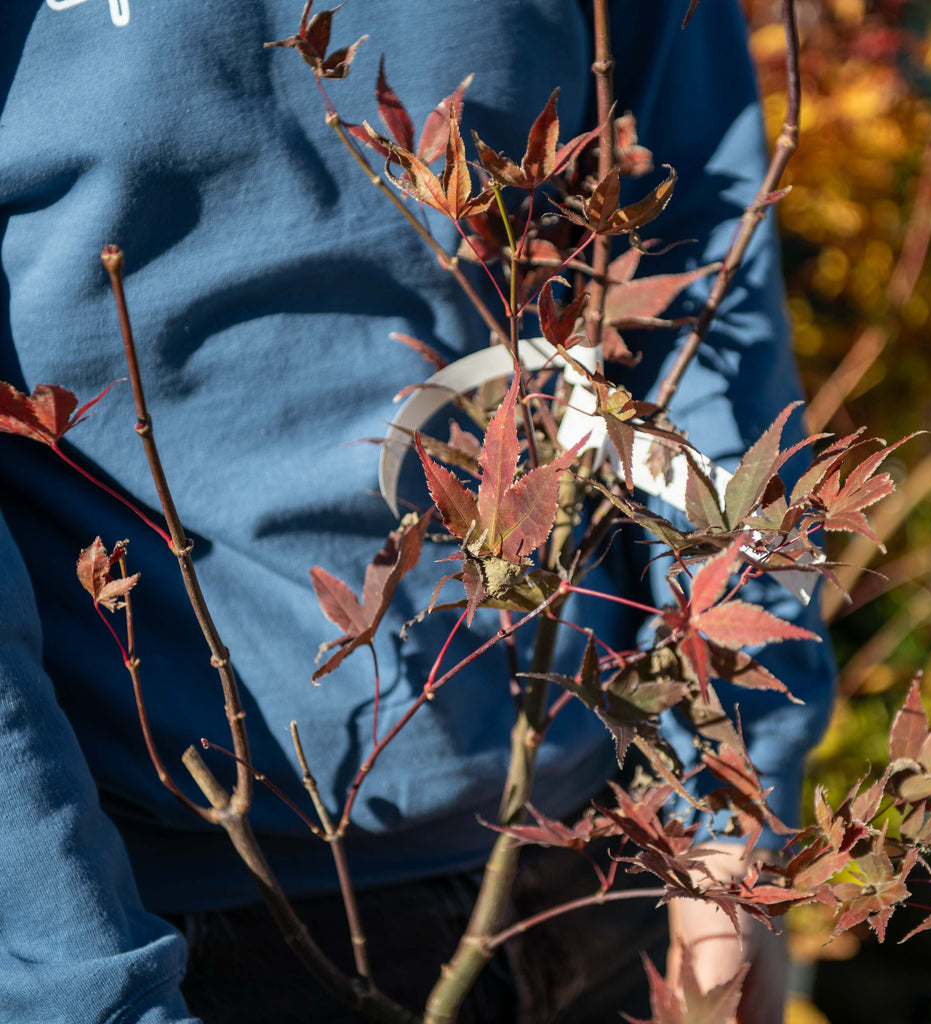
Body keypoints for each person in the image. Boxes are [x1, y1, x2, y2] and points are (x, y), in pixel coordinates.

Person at [0, 1, 835, 1021]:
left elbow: (703, 263)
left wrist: (734, 813)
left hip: (607, 854)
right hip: (183, 915)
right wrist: (84, 989)